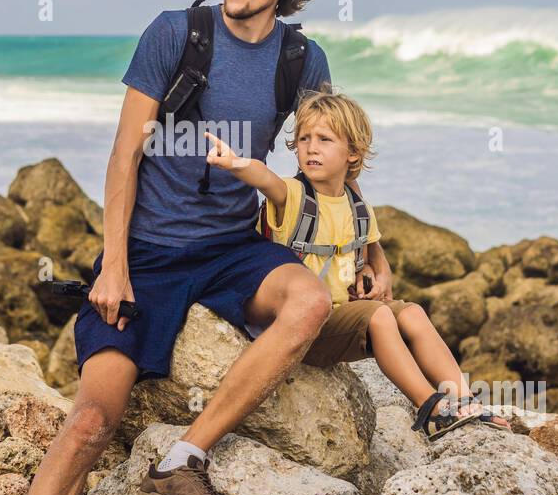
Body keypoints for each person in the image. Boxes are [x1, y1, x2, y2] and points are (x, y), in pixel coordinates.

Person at [7, 0, 398, 495]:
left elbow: (330, 162)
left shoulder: (303, 59)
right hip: (149, 256)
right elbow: (123, 155)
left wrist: (373, 256)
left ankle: (184, 457)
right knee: (91, 422)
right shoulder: (175, 35)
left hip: (232, 250)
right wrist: (115, 267)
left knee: (307, 304)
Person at [203, 88, 512, 440]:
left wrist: (373, 278)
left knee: (411, 312)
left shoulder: (357, 207)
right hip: (301, 324)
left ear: (353, 153)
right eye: (304, 138)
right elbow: (265, 179)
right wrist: (236, 163)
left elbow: (364, 254)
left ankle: (463, 400)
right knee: (378, 316)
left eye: (324, 139)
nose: (311, 147)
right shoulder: (294, 195)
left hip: (338, 316)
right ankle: (431, 409)